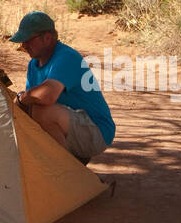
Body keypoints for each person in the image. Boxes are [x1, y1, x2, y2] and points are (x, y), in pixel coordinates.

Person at [8, 11, 115, 164]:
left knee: (43, 111)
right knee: (28, 115)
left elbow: (47, 96)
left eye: (28, 40)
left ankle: (65, 171)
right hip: (73, 125)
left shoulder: (66, 57)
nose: (23, 45)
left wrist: (21, 99)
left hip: (96, 131)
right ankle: (61, 167)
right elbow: (31, 102)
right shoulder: (34, 64)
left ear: (47, 38)